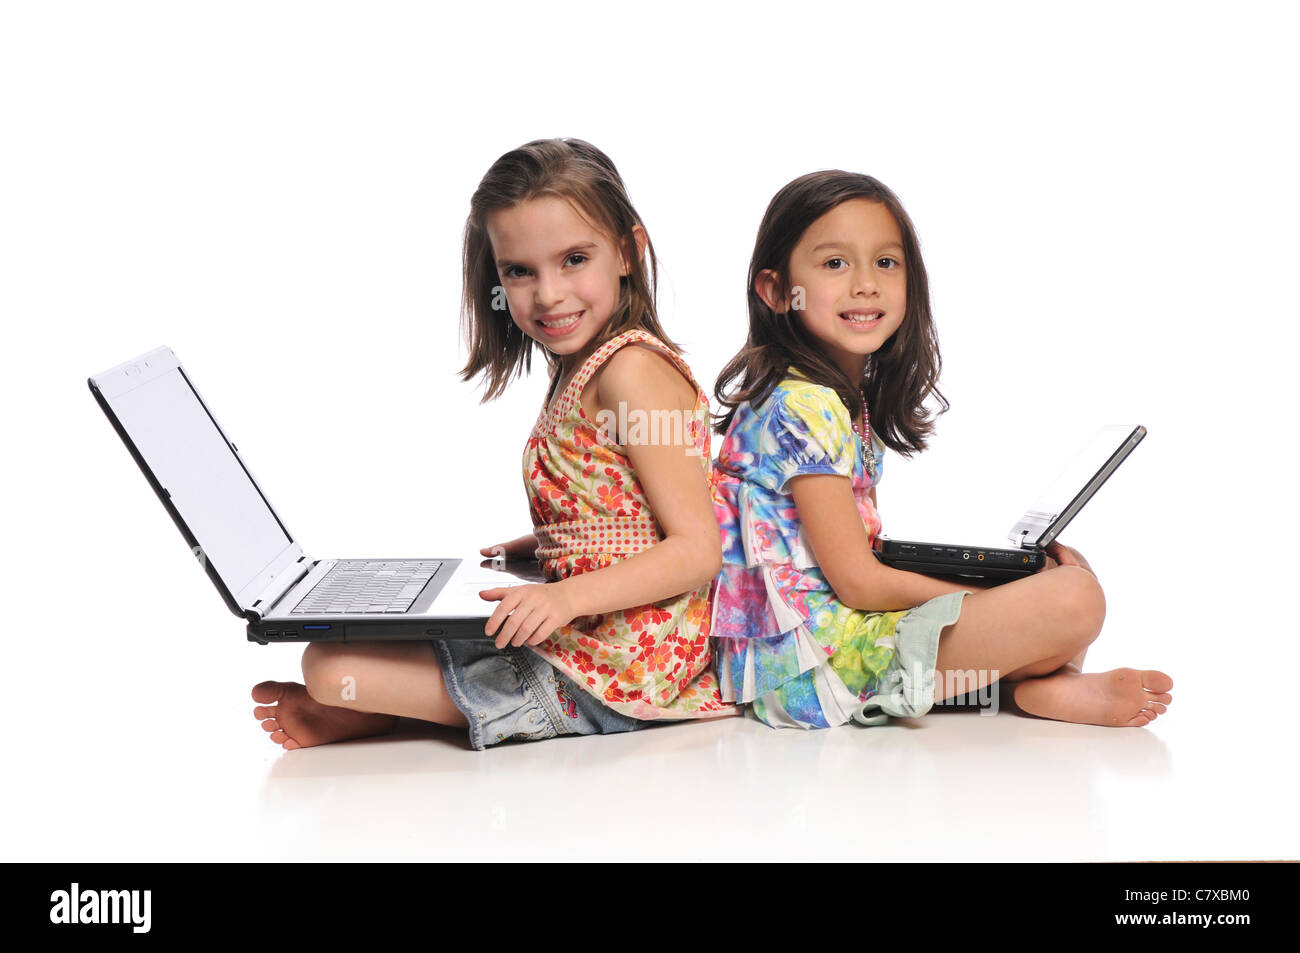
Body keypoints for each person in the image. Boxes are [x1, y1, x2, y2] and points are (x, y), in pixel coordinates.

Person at [253, 138, 732, 750]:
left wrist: (566, 596)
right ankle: (404, 705)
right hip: (581, 621)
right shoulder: (587, 364)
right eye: (520, 271)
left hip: (622, 664)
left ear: (628, 251)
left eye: (574, 259)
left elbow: (696, 549)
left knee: (331, 669)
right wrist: (554, 542)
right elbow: (642, 506)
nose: (549, 294)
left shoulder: (632, 372)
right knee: (334, 650)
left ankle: (394, 713)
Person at [709, 170, 1173, 729]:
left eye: (886, 262)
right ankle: (1037, 686)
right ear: (778, 290)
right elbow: (858, 581)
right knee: (1073, 598)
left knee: (1061, 581)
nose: (865, 284)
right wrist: (981, 597)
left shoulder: (841, 399)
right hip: (814, 670)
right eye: (835, 264)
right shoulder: (801, 404)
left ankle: (1033, 687)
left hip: (833, 652)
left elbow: (866, 555)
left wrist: (1000, 587)